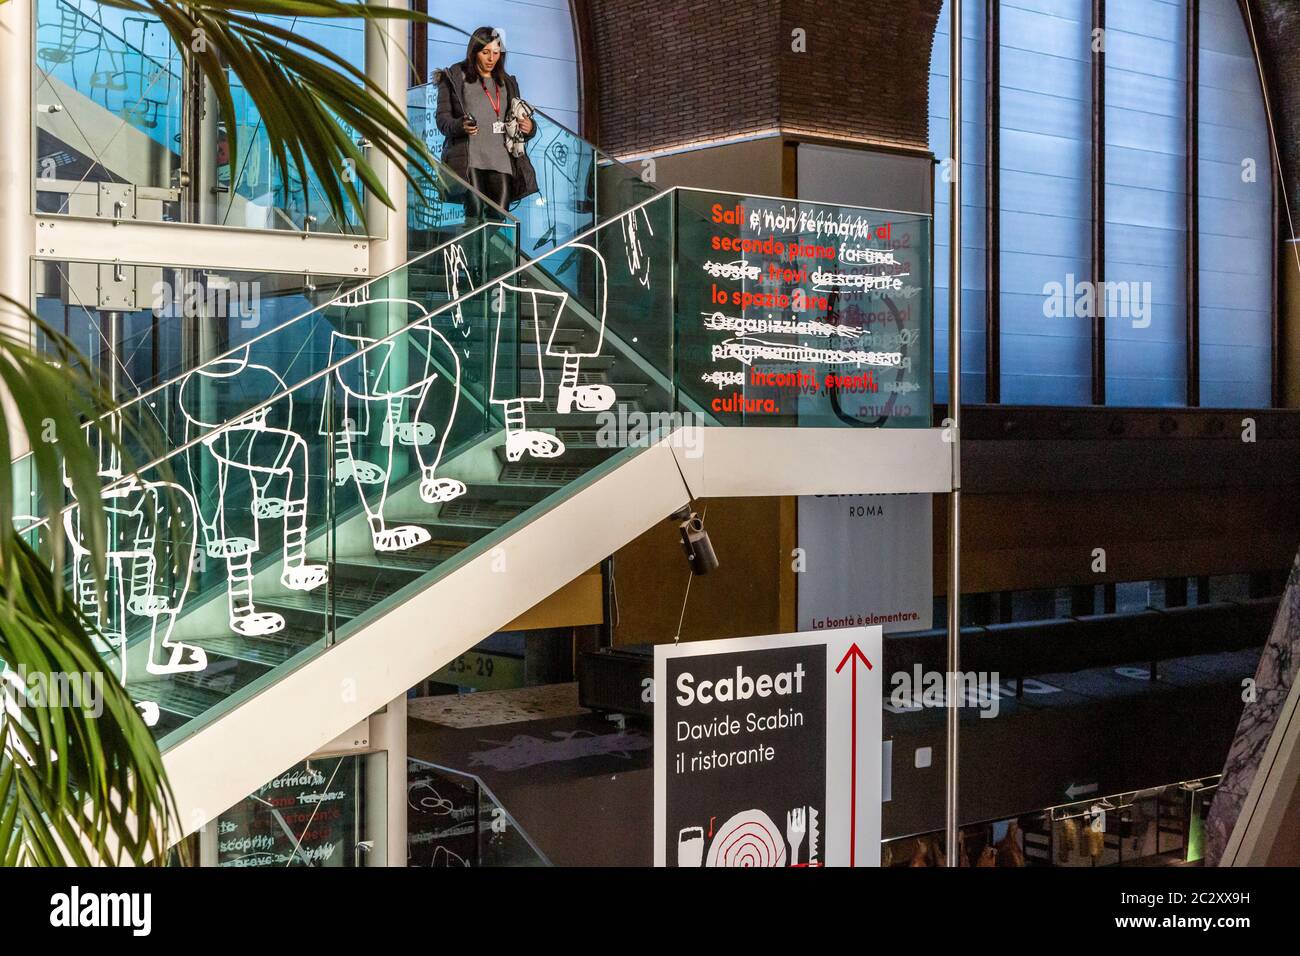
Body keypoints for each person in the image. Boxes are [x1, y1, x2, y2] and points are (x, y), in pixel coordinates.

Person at [435, 26, 539, 215]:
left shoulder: (507, 82)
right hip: (469, 159)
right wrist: (461, 125)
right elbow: (442, 120)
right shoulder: (454, 78)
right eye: (485, 53)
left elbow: (518, 118)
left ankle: (477, 246)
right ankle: (471, 245)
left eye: (496, 53)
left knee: (500, 215)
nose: (491, 58)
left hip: (501, 160)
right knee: (474, 213)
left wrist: (530, 128)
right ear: (474, 52)